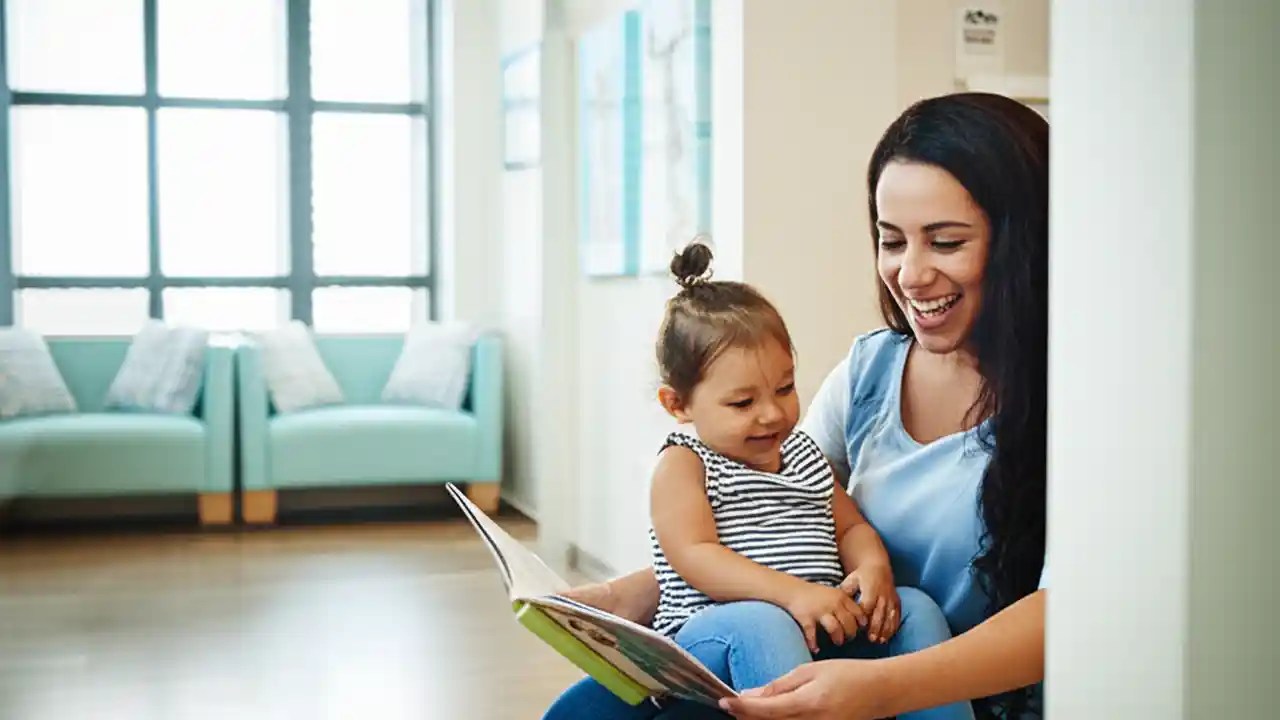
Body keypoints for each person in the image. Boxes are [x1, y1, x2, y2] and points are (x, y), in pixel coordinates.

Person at [556, 91, 1050, 720]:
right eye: (891, 240)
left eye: (946, 242)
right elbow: (772, 523)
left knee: (913, 609)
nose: (911, 275)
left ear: (1022, 242)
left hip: (946, 694)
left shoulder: (1079, 399)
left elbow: (1073, 608)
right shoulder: (870, 373)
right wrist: (630, 596)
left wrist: (881, 687)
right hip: (843, 671)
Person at [545, 241, 976, 719]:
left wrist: (872, 568)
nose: (772, 414)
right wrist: (792, 593)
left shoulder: (802, 455)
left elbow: (850, 527)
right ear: (678, 405)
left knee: (914, 608)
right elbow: (694, 555)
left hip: (817, 631)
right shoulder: (685, 464)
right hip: (713, 639)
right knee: (762, 621)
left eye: (785, 388)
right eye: (742, 403)